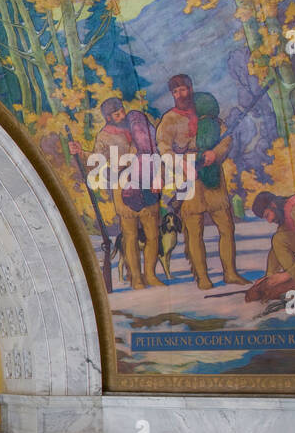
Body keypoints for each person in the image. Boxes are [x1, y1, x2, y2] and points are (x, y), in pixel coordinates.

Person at [155, 73, 249, 290]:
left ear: (191, 88)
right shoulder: (168, 120)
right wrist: (182, 165)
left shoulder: (208, 113)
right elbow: (164, 149)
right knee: (194, 231)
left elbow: (226, 138)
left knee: (226, 227)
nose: (180, 94)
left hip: (213, 176)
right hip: (188, 179)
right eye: (175, 91)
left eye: (183, 89)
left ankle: (231, 273)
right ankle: (203, 278)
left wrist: (215, 154)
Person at [94, 97, 163, 289]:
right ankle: (136, 277)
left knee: (153, 233)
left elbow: (154, 151)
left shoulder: (137, 125)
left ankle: (150, 274)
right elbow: (94, 159)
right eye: (117, 114)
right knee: (130, 235)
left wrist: (159, 176)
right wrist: (79, 153)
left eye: (122, 111)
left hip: (146, 182)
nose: (122, 115)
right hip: (122, 185)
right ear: (108, 117)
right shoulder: (104, 137)